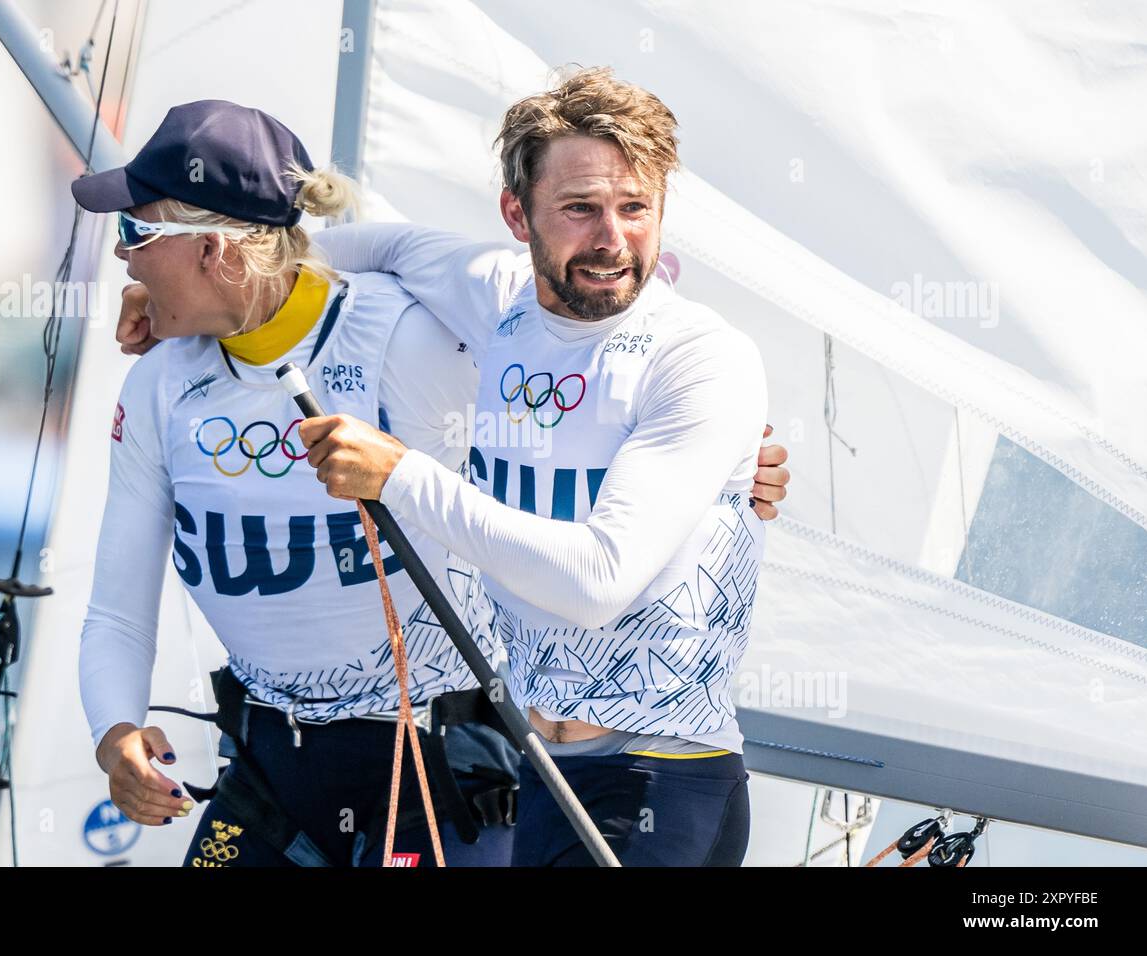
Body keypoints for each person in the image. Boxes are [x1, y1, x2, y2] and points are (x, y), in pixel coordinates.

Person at [302, 67, 773, 866]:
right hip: (546, 769)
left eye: (636, 208)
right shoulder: (499, 298)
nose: (612, 240)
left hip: (663, 780)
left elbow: (595, 582)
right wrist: (202, 299)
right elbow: (380, 245)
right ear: (517, 215)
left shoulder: (701, 357)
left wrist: (401, 475)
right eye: (581, 209)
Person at [73, 100, 525, 867]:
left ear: (213, 251)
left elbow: (574, 414)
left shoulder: (408, 341)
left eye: (134, 233)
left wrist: (727, 460)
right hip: (271, 767)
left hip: (431, 769)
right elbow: (118, 610)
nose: (123, 259)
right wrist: (115, 734)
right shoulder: (157, 384)